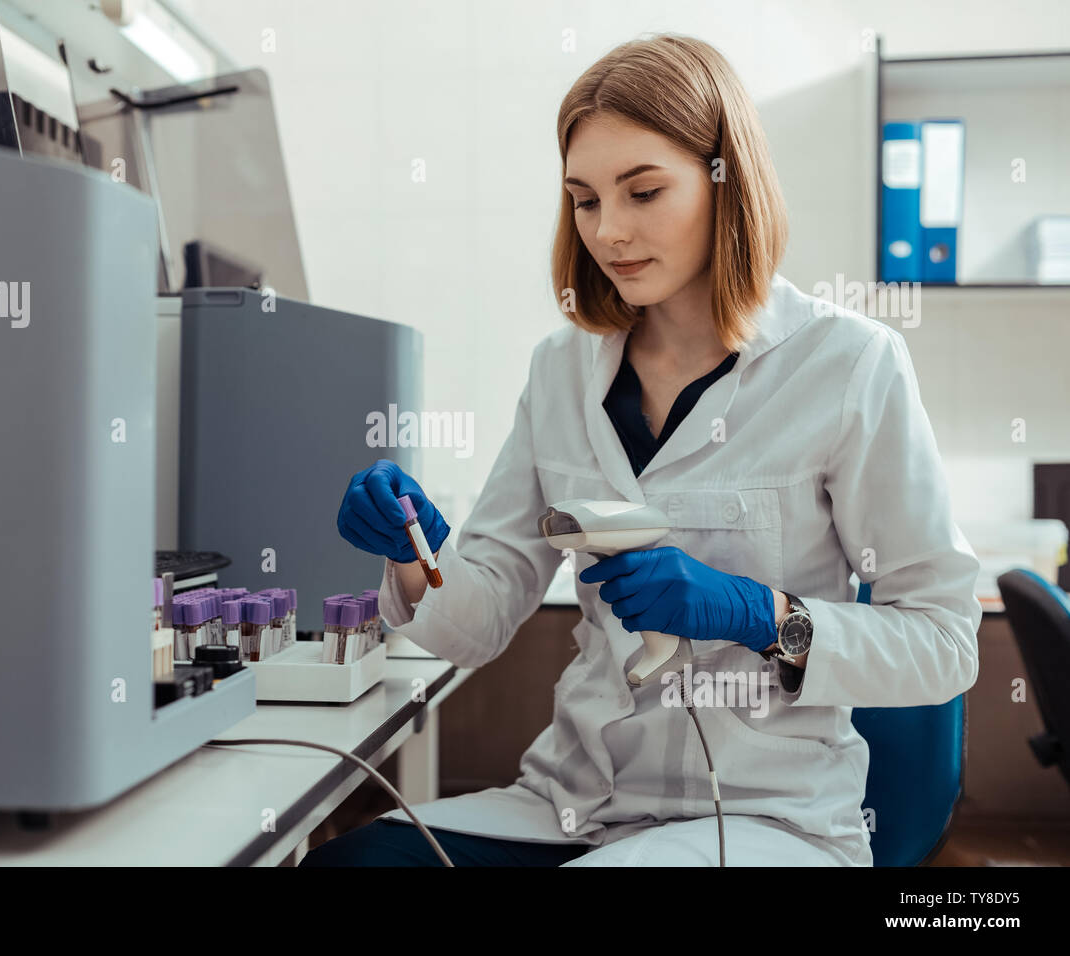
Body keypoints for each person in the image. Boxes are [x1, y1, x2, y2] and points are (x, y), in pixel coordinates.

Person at [303, 33, 981, 867]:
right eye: (585, 200)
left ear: (726, 180)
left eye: (644, 191)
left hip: (767, 820)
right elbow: (476, 623)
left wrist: (758, 614)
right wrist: (415, 550)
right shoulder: (561, 370)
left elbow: (944, 644)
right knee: (353, 863)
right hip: (571, 803)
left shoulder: (847, 364)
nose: (610, 231)